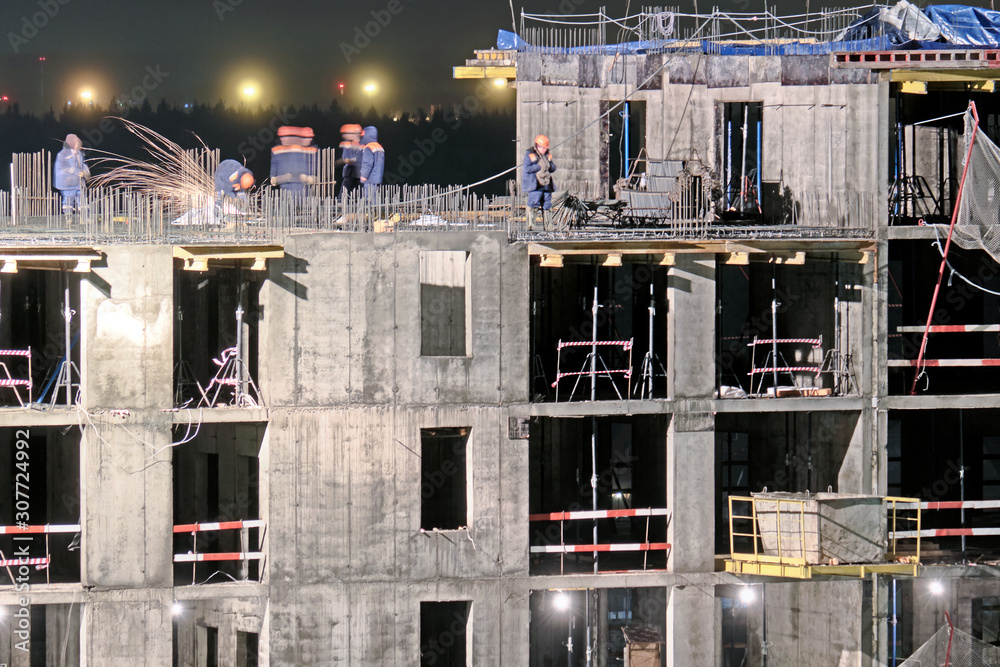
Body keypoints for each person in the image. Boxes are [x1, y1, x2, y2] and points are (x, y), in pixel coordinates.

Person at [270, 126, 318, 197]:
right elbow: (274, 164)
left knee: (302, 204)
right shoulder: (276, 150)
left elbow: (312, 165)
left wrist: (310, 177)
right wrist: (274, 177)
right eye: (282, 137)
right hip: (286, 185)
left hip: (302, 186)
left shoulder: (310, 150)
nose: (309, 140)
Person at [522, 134, 557, 231]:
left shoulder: (547, 156)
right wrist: (538, 167)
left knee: (547, 205)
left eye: (545, 148)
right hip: (536, 185)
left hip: (546, 184)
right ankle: (530, 226)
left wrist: (549, 163)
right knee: (533, 204)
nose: (544, 150)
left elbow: (553, 168)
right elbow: (526, 169)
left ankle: (549, 226)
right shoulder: (530, 155)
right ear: (537, 146)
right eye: (542, 148)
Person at [54, 133, 90, 213]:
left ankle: (84, 219)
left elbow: (83, 164)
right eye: (77, 142)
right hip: (68, 183)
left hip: (78, 183)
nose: (79, 144)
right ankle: (68, 219)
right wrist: (77, 172)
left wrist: (85, 172)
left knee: (82, 200)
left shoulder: (80, 154)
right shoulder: (62, 154)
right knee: (68, 200)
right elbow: (64, 167)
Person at [337, 123, 363, 198]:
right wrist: (349, 160)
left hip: (360, 173)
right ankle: (340, 203)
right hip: (349, 172)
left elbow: (362, 158)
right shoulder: (347, 144)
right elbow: (345, 156)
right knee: (344, 191)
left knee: (361, 192)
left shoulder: (363, 144)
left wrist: (354, 160)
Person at [359, 125, 384, 196]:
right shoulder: (380, 147)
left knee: (369, 200)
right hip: (378, 178)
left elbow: (367, 163)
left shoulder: (368, 148)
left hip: (370, 179)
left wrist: (363, 176)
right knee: (375, 200)